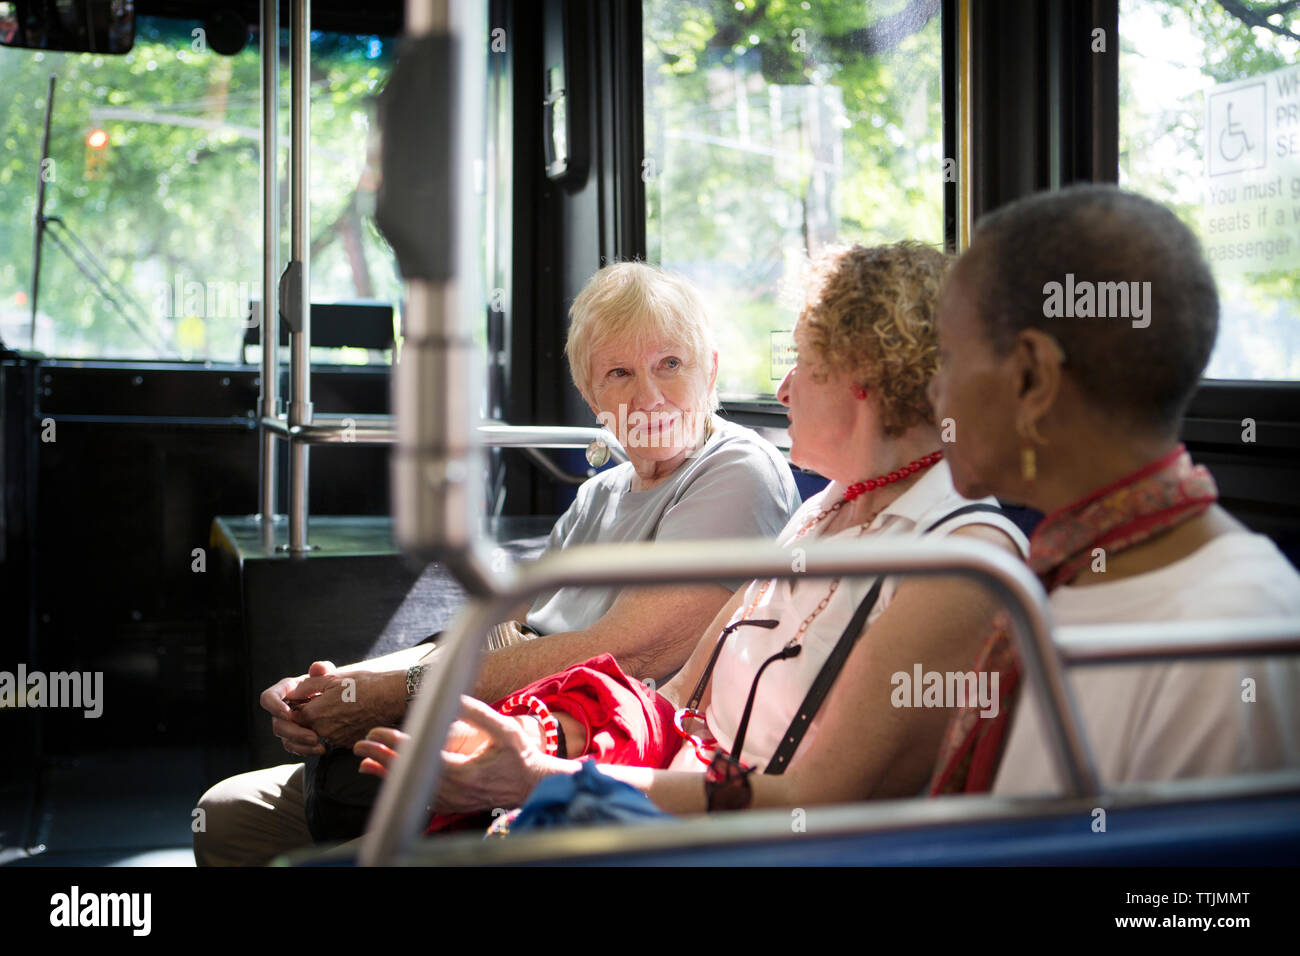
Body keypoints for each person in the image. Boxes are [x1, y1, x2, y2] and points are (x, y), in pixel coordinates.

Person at [355, 242, 1030, 821]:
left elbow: (812, 803)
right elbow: (677, 700)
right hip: (661, 804)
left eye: (802, 363)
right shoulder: (824, 511)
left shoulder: (958, 562)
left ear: (866, 381)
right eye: (618, 375)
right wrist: (545, 745)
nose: (784, 388)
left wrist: (542, 779)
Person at [194, 262, 801, 865]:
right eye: (619, 373)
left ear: (711, 368)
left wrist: (396, 693)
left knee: (247, 833)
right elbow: (496, 624)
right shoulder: (601, 493)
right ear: (592, 397)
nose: (649, 396)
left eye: (670, 363)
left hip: (573, 752)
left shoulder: (736, 471)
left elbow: (632, 653)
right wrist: (342, 684)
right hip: (496, 709)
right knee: (221, 812)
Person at [924, 184, 1300, 795]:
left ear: (1031, 377)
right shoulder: (1065, 576)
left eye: (946, 357)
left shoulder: (1229, 640)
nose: (933, 392)